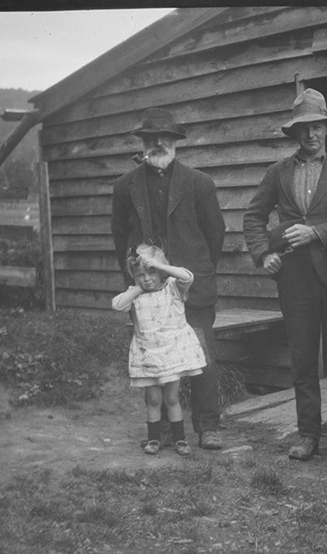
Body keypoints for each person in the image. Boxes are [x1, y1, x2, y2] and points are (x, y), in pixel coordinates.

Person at [243, 89, 327, 462]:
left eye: (318, 127)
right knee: (302, 359)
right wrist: (264, 255)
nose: (311, 135)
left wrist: (317, 233)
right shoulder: (277, 172)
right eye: (304, 128)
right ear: (295, 133)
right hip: (294, 280)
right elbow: (253, 217)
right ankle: (308, 435)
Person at [112, 108, 226, 450]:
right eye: (150, 139)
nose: (157, 144)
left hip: (191, 288)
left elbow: (215, 235)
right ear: (142, 144)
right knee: (154, 358)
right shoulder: (124, 187)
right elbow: (120, 238)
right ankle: (160, 430)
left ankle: (207, 426)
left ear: (176, 142)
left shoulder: (199, 184)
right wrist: (139, 282)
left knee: (201, 355)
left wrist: (195, 273)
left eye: (164, 138)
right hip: (148, 291)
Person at [112, 244, 207, 456]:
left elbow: (187, 276)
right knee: (154, 400)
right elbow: (117, 305)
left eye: (151, 272)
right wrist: (137, 288)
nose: (146, 278)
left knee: (172, 398)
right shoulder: (135, 293)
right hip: (148, 355)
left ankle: (180, 439)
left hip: (172, 353)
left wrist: (161, 265)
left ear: (161, 270)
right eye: (140, 275)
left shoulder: (173, 287)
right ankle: (154, 438)